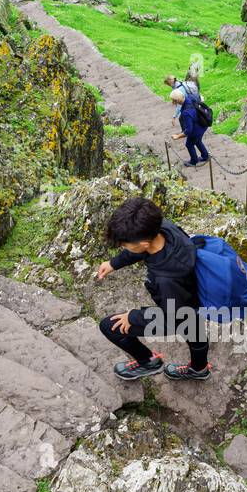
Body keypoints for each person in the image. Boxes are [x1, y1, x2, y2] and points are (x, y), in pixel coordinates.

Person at [97, 197, 211, 382]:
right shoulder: (164, 227)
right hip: (192, 294)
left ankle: (148, 362)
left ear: (143, 244)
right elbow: (141, 247)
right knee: (194, 330)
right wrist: (114, 263)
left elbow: (173, 315)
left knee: (110, 327)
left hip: (177, 308)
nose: (123, 247)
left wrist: (132, 316)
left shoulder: (165, 279)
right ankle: (199, 369)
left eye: (125, 244)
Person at [170, 87, 209, 167]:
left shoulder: (186, 113)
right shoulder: (189, 98)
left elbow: (189, 130)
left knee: (189, 144)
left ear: (177, 101)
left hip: (198, 127)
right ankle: (205, 156)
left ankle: (193, 161)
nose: (172, 102)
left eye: (173, 101)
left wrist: (177, 136)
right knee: (197, 140)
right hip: (203, 123)